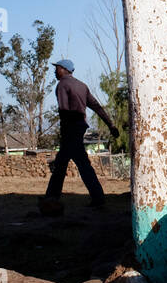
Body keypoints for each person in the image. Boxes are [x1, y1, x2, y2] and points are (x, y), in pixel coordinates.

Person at [44, 58, 118, 210]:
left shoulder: (62, 84)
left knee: (64, 165)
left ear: (64, 69)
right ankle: (97, 197)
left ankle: (51, 199)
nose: (54, 71)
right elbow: (97, 106)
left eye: (56, 68)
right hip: (79, 128)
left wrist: (64, 133)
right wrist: (111, 125)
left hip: (70, 129)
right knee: (75, 164)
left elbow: (63, 110)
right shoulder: (82, 86)